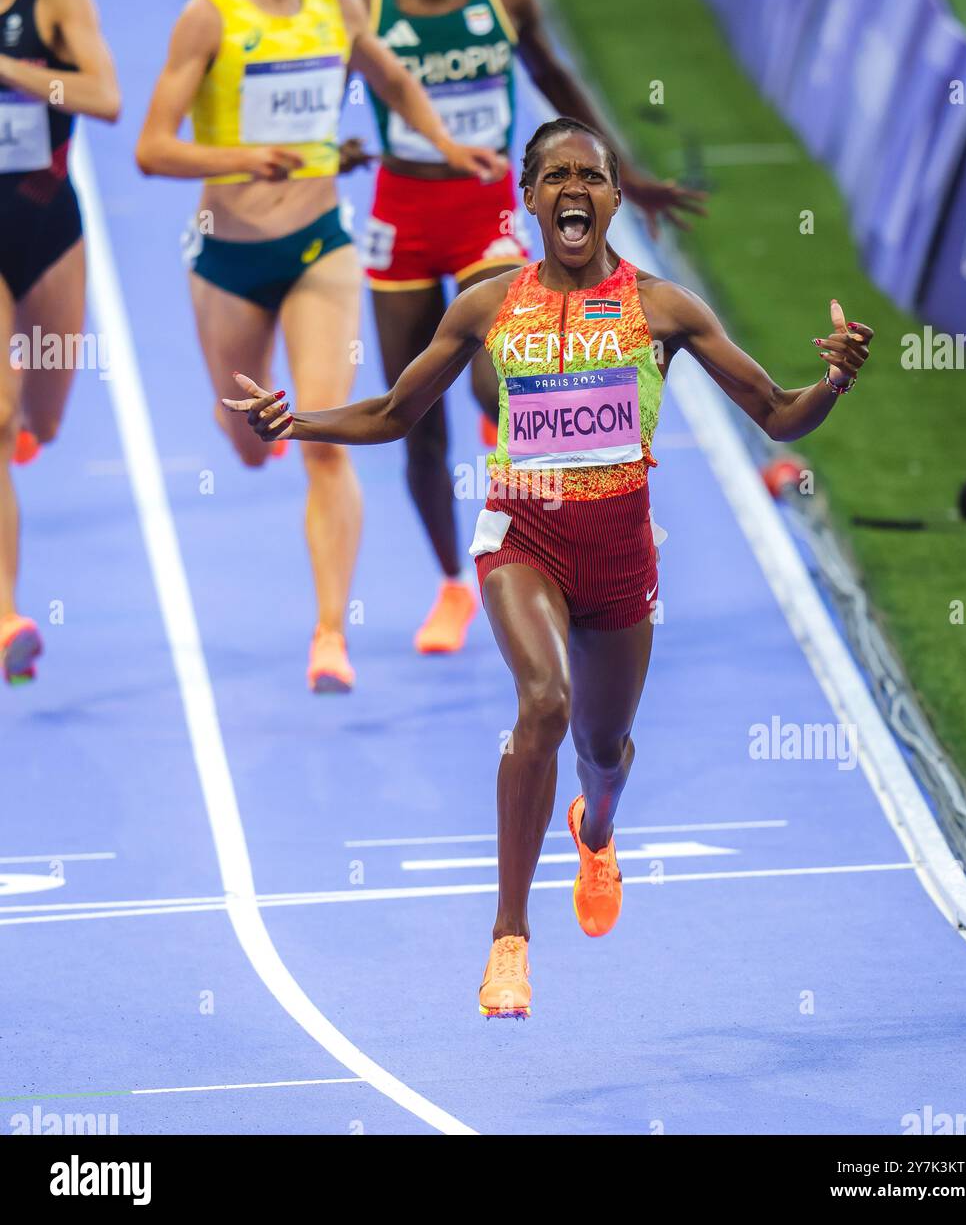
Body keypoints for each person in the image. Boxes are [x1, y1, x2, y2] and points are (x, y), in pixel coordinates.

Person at [224, 117, 872, 1017]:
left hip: (619, 561)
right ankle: (508, 942)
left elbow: (773, 413)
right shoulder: (486, 305)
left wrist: (832, 384)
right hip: (521, 540)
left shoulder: (665, 308)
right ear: (530, 198)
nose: (574, 188)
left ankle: (595, 829)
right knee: (544, 705)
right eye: (555, 175)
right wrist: (297, 424)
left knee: (601, 752)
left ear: (610, 197)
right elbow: (395, 413)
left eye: (592, 176)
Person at [135, 0, 504, 693]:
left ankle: (329, 633)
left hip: (319, 253)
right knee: (251, 443)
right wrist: (241, 158)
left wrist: (446, 145)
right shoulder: (208, 19)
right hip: (228, 261)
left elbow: (397, 81)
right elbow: (154, 148)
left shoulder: (337, 10)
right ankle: (248, 438)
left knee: (318, 438)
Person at [343, 0, 707, 656]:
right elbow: (320, 100)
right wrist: (324, 153)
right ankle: (449, 584)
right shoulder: (363, 11)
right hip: (401, 215)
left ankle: (547, 518)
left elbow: (559, 85)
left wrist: (629, 177)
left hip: (484, 217)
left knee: (499, 373)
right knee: (414, 418)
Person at [0, 0, 121, 685]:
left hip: (46, 227)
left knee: (43, 415)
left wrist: (8, 70)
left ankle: (30, 427)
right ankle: (6, 614)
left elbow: (103, 98)